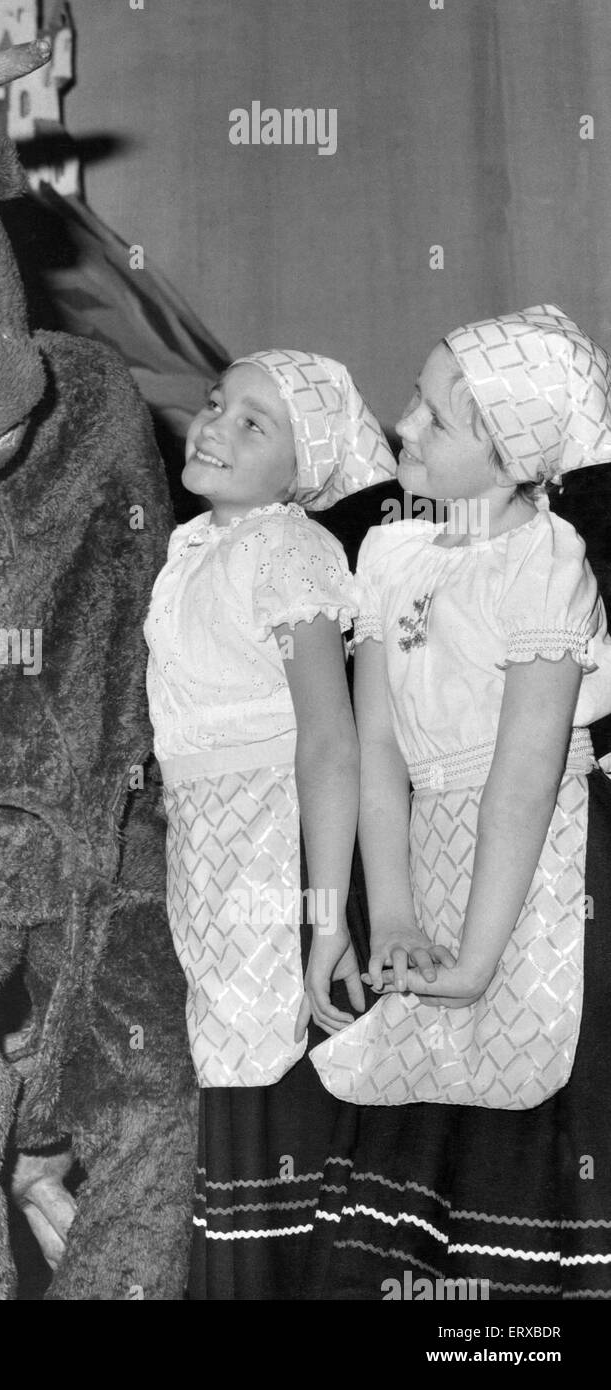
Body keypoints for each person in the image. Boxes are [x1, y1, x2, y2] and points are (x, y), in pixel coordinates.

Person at [310, 306, 611, 1297]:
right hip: (423, 864)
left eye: (437, 420)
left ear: (513, 452)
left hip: (536, 880)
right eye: (414, 398)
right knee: (416, 1125)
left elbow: (521, 783)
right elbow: (375, 749)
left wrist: (478, 953)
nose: (400, 425)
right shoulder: (389, 558)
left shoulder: (547, 563)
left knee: (521, 1137)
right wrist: (388, 914)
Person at [145, 349, 394, 1297]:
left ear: (302, 469)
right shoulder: (193, 548)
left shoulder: (289, 549)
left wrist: (326, 920)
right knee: (236, 1092)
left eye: (254, 423)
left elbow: (331, 742)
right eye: (216, 405)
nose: (213, 426)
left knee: (283, 1111)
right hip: (211, 869)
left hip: (282, 862)